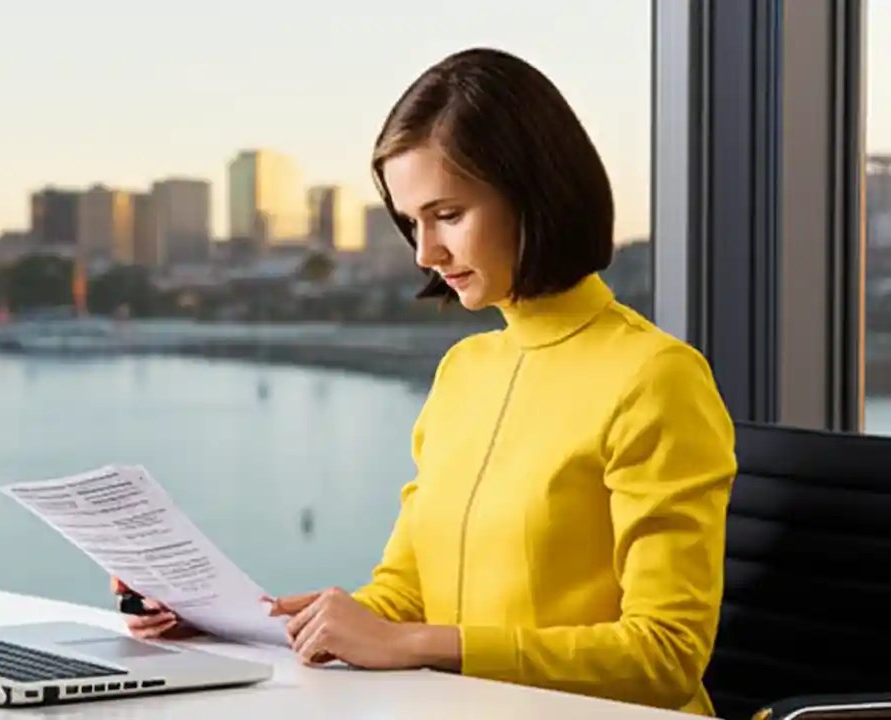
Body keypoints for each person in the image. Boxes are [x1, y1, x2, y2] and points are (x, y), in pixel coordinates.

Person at [111, 48, 736, 717]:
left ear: (535, 193)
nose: (425, 253)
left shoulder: (654, 378)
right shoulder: (465, 374)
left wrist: (420, 645)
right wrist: (229, 625)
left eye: (448, 214)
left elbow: (666, 658)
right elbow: (403, 600)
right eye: (412, 221)